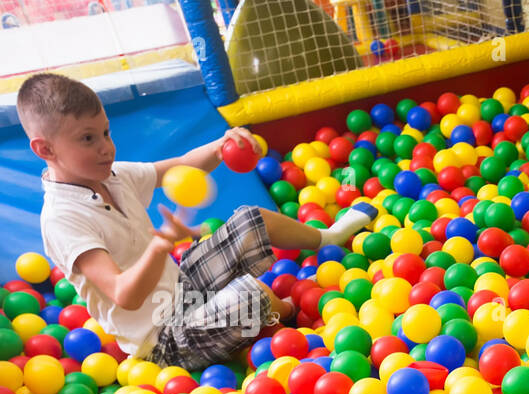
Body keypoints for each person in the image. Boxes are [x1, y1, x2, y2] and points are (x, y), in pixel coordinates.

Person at [18, 72, 378, 370]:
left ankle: (327, 239)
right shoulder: (63, 219)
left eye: (106, 133)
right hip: (163, 339)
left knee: (252, 219)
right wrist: (161, 245)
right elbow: (124, 295)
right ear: (45, 150)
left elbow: (178, 168)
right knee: (254, 296)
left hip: (182, 288)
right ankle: (295, 313)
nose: (106, 147)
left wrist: (220, 147)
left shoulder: (112, 175)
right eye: (87, 139)